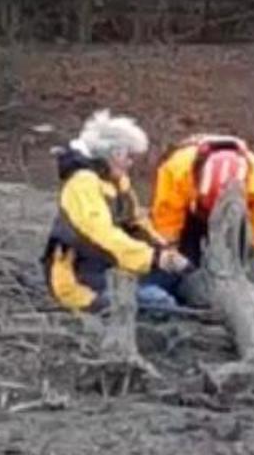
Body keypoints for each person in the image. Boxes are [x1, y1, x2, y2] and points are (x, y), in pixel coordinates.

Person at [41, 110, 191, 313]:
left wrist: (164, 251)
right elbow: (102, 237)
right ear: (113, 153)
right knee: (160, 304)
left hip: (112, 268)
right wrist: (153, 259)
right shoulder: (82, 184)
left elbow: (136, 223)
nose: (131, 162)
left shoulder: (118, 181)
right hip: (79, 280)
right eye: (129, 155)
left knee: (177, 279)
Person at [148, 133, 254, 306]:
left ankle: (230, 285)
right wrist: (171, 259)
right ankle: (179, 292)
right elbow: (166, 225)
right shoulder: (177, 171)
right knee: (184, 261)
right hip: (189, 212)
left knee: (232, 260)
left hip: (233, 216)